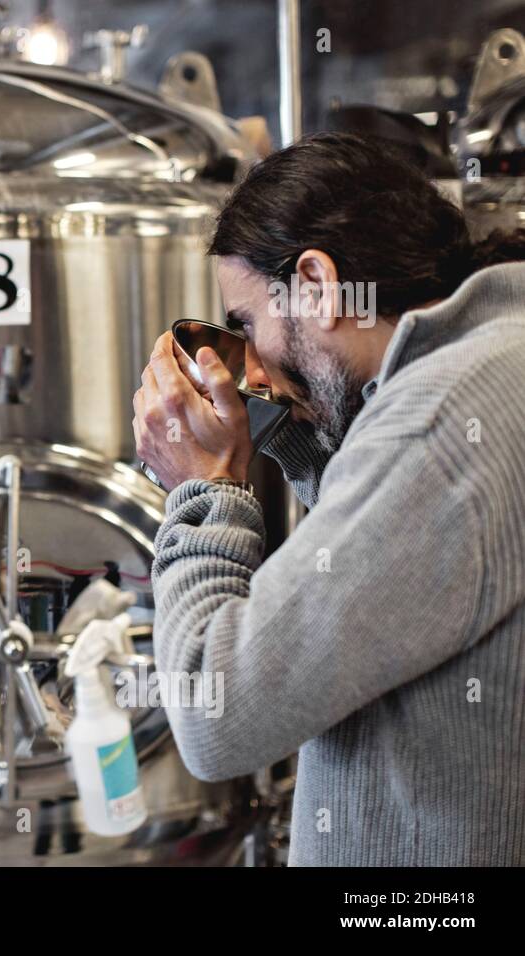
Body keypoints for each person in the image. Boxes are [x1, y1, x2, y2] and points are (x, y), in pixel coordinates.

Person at [132, 131, 525, 866]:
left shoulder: (437, 424)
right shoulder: (498, 360)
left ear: (315, 282)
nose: (249, 358)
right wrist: (288, 424)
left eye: (247, 322)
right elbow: (388, 587)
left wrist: (203, 489)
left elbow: (217, 717)